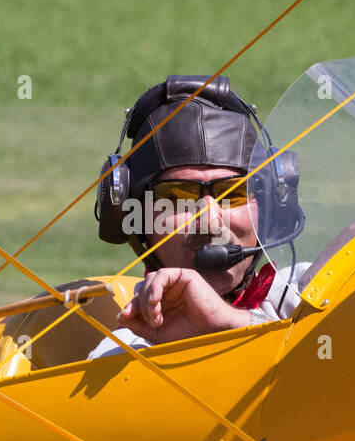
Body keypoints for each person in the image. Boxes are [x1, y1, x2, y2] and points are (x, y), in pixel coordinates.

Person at [89, 75, 305, 359]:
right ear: (136, 217)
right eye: (177, 197)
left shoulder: (314, 292)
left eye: (234, 192)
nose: (211, 222)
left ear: (269, 206)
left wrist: (232, 323)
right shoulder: (118, 360)